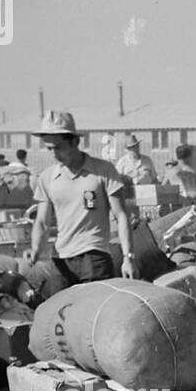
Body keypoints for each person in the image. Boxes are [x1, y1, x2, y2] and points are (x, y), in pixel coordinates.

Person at [24, 110, 136, 285]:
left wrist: (128, 257)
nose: (54, 154)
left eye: (59, 147)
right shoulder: (47, 178)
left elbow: (121, 215)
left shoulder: (103, 171)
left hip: (94, 257)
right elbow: (42, 222)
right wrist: (35, 249)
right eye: (49, 148)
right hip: (61, 260)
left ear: (75, 142)